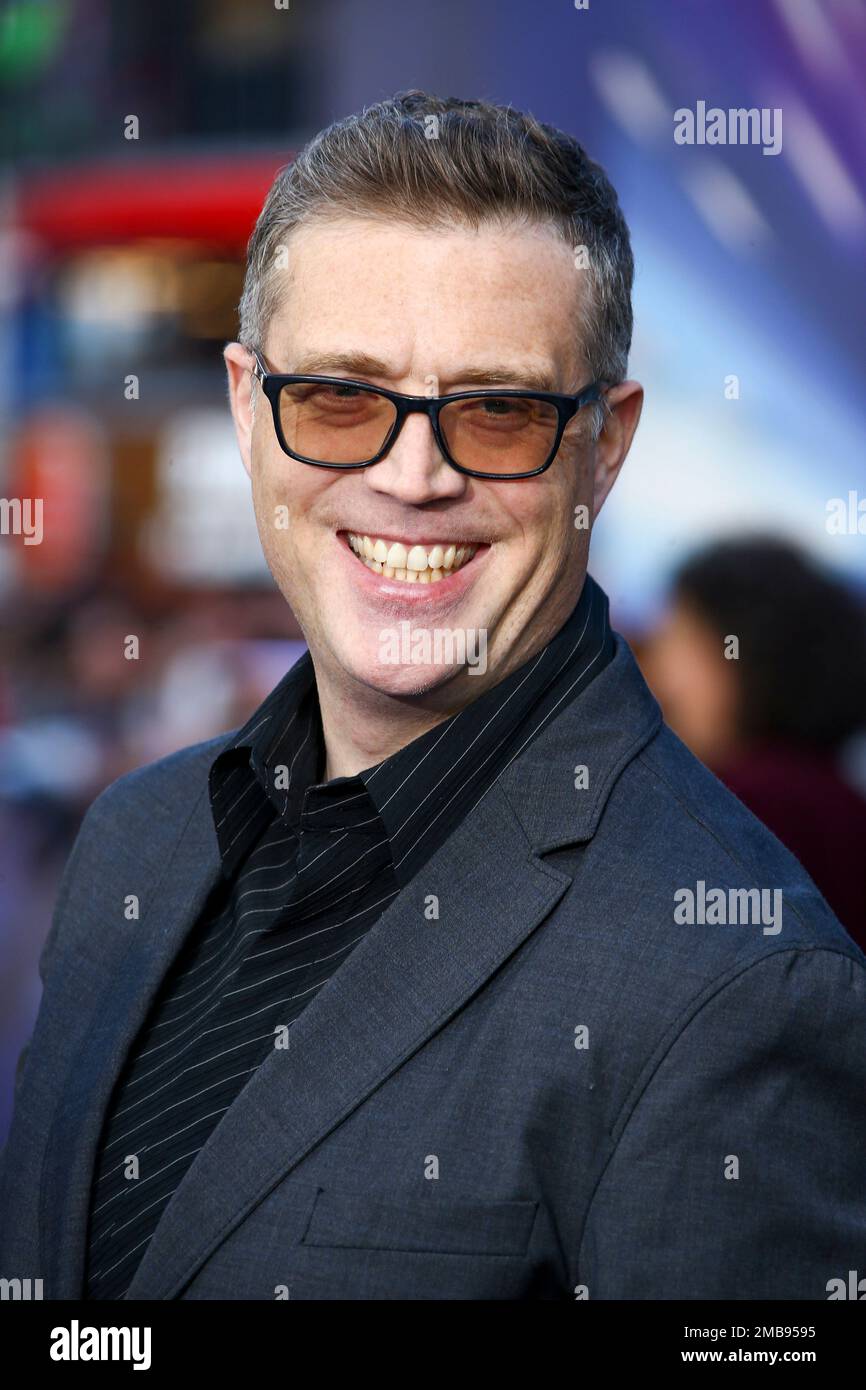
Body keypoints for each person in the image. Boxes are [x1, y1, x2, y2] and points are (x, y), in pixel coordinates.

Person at [1, 91, 864, 1302]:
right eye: (339, 398)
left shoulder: (733, 984)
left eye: (496, 412)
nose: (412, 476)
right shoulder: (133, 842)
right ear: (249, 410)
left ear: (602, 449)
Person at [645, 537, 866, 953]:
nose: (658, 674)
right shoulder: (843, 806)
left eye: (682, 640)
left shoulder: (746, 806)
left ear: (748, 657)